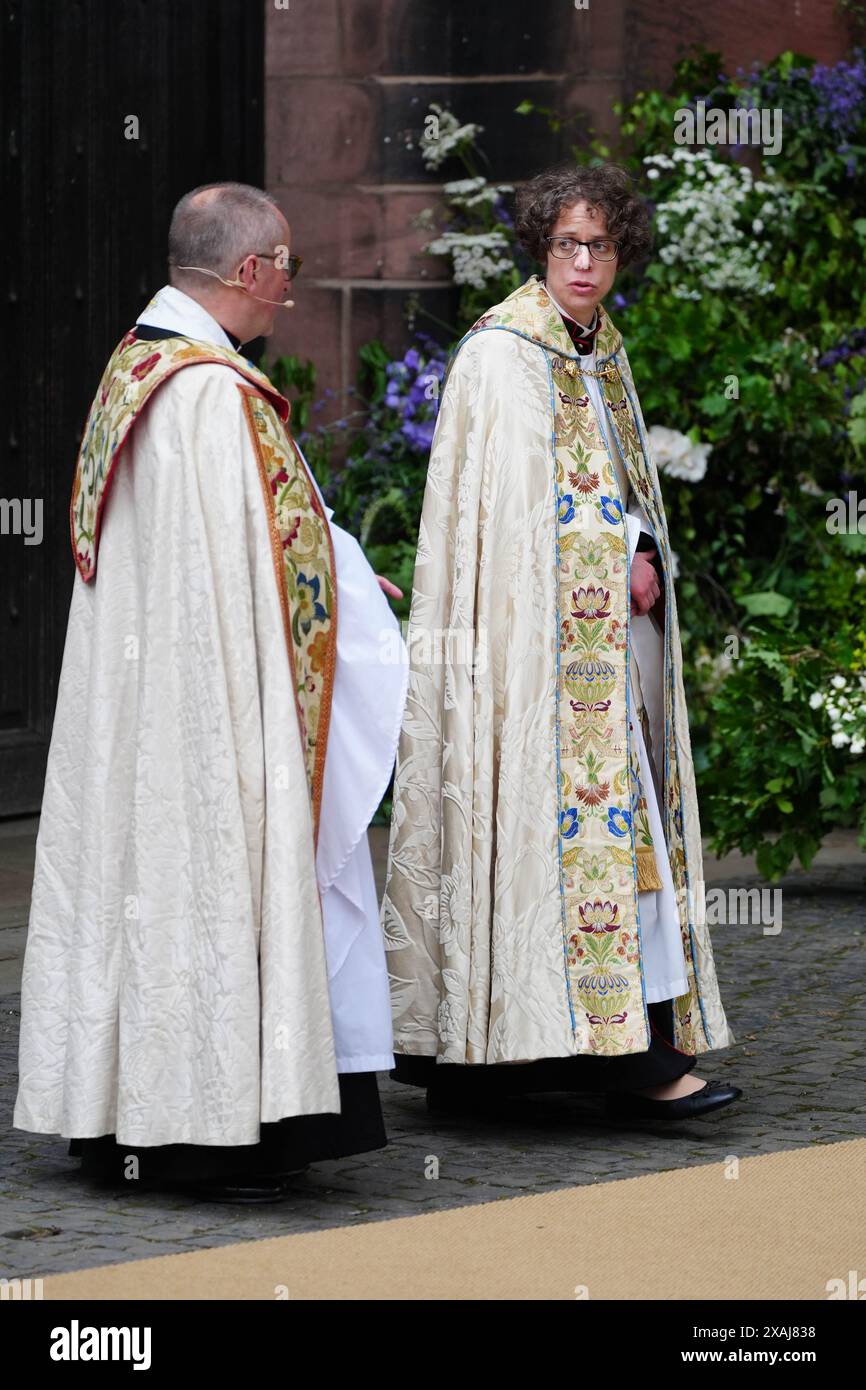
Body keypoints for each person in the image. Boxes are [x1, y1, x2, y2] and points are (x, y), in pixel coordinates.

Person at [13, 182, 408, 1201]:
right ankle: (214, 1133)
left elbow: (266, 543)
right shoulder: (212, 394)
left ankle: (121, 1119)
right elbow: (278, 559)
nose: (290, 285)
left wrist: (349, 579)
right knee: (211, 879)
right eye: (286, 265)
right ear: (249, 272)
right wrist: (353, 593)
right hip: (210, 704)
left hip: (151, 704)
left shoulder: (137, 368)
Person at [381, 163, 742, 1120]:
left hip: (600, 658)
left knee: (632, 846)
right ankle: (591, 1064)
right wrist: (610, 558)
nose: (586, 262)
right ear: (542, 250)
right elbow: (501, 528)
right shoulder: (502, 353)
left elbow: (607, 492)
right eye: (568, 245)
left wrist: (631, 544)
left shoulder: (599, 351)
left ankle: (585, 1054)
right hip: (527, 669)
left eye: (603, 245)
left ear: (621, 254)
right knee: (536, 838)